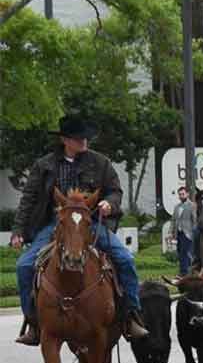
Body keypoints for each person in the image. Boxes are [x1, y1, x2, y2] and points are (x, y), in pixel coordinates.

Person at [11, 116, 149, 345]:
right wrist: (18, 230)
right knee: (24, 266)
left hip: (91, 222)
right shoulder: (44, 165)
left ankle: (131, 316)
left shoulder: (100, 162)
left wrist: (109, 204)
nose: (84, 141)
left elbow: (115, 191)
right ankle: (33, 322)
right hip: (55, 225)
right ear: (65, 140)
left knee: (125, 259)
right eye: (78, 138)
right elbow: (29, 198)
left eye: (85, 137)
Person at [172, 185, 197, 276]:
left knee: (185, 252)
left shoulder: (192, 206)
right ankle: (185, 270)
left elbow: (195, 220)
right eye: (179, 194)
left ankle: (184, 272)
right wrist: (172, 232)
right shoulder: (177, 207)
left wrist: (194, 233)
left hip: (188, 233)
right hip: (178, 233)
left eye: (183, 194)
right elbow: (173, 220)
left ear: (187, 194)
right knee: (180, 252)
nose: (181, 196)